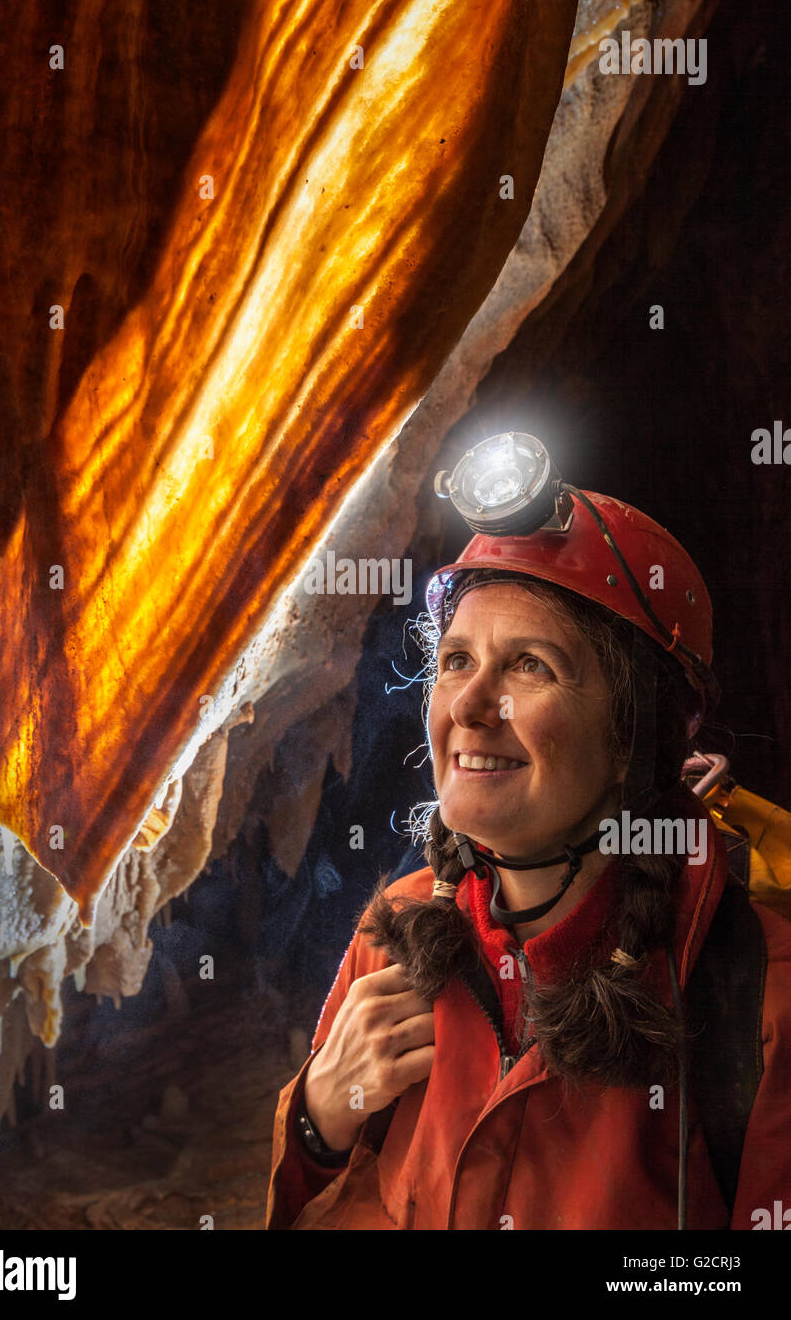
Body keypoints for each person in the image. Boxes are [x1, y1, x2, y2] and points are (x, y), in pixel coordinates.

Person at [266, 435, 791, 1230]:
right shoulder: (398, 932)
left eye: (530, 667)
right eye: (455, 661)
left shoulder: (756, 997)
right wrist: (316, 1121)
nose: (470, 707)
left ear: (635, 738)